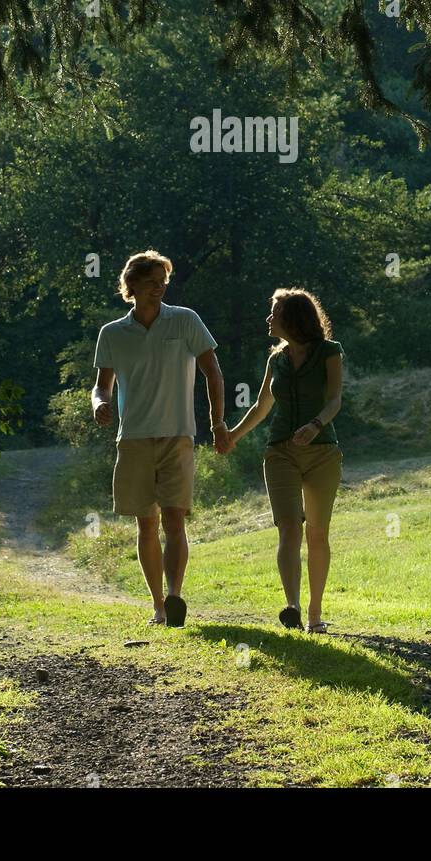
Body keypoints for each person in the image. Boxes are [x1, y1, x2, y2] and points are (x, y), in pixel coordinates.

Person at [91, 249, 229, 626]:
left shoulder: (185, 321)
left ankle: (175, 597)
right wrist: (99, 404)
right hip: (133, 437)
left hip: (178, 435)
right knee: (145, 523)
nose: (159, 289)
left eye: (163, 283)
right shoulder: (113, 333)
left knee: (174, 520)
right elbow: (101, 386)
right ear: (131, 285)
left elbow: (212, 371)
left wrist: (217, 422)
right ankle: (157, 605)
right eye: (152, 283)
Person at [225, 288, 343, 633]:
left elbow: (335, 399)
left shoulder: (329, 352)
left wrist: (315, 424)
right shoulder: (275, 360)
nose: (268, 319)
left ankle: (315, 614)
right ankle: (291, 605)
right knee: (289, 527)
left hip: (322, 450)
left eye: (273, 313)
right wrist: (232, 436)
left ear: (292, 318)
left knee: (317, 534)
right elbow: (261, 408)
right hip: (280, 452)